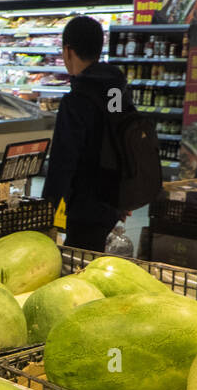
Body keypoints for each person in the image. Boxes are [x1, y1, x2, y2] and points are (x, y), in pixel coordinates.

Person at [41, 15, 133, 254]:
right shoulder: (117, 89)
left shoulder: (76, 100)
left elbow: (64, 160)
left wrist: (49, 207)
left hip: (84, 205)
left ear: (68, 50)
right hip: (112, 200)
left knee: (79, 264)